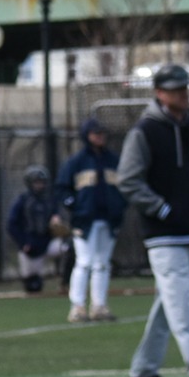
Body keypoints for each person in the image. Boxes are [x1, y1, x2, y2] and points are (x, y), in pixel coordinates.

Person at [116, 64, 189, 377]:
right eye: (177, 88)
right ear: (160, 93)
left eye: (185, 87)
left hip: (188, 230)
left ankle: (143, 369)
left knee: (169, 303)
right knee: (181, 300)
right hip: (163, 234)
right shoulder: (145, 131)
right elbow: (127, 180)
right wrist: (162, 209)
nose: (184, 93)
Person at [58, 117, 126, 322]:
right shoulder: (76, 162)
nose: (100, 137)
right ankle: (77, 307)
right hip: (85, 220)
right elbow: (61, 188)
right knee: (84, 262)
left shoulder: (113, 160)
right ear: (87, 136)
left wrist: (120, 206)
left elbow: (126, 185)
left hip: (109, 219)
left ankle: (99, 306)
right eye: (96, 133)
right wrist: (73, 205)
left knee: (102, 263)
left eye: (102, 133)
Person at [5, 166, 68, 294]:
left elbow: (58, 217)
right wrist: (23, 243)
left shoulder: (50, 200)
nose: (40, 185)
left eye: (42, 182)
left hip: (48, 242)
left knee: (69, 249)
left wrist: (57, 222)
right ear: (29, 183)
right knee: (33, 286)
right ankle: (33, 279)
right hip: (31, 245)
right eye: (36, 182)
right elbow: (11, 224)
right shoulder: (23, 201)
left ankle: (65, 280)